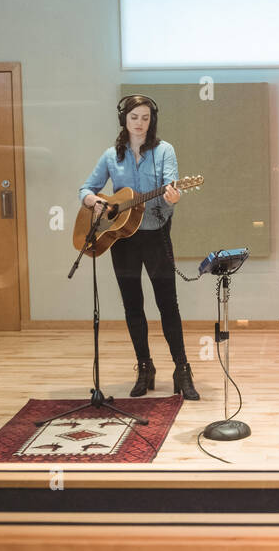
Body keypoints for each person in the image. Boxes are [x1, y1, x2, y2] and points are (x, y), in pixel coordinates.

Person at [80, 94, 200, 401]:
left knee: (167, 305)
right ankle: (144, 367)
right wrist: (97, 202)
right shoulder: (111, 156)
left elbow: (172, 184)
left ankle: (181, 369)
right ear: (125, 120)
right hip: (122, 239)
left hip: (156, 235)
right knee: (132, 306)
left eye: (145, 118)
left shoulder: (164, 151)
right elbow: (86, 189)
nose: (140, 123)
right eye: (134, 117)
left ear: (152, 120)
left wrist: (173, 195)